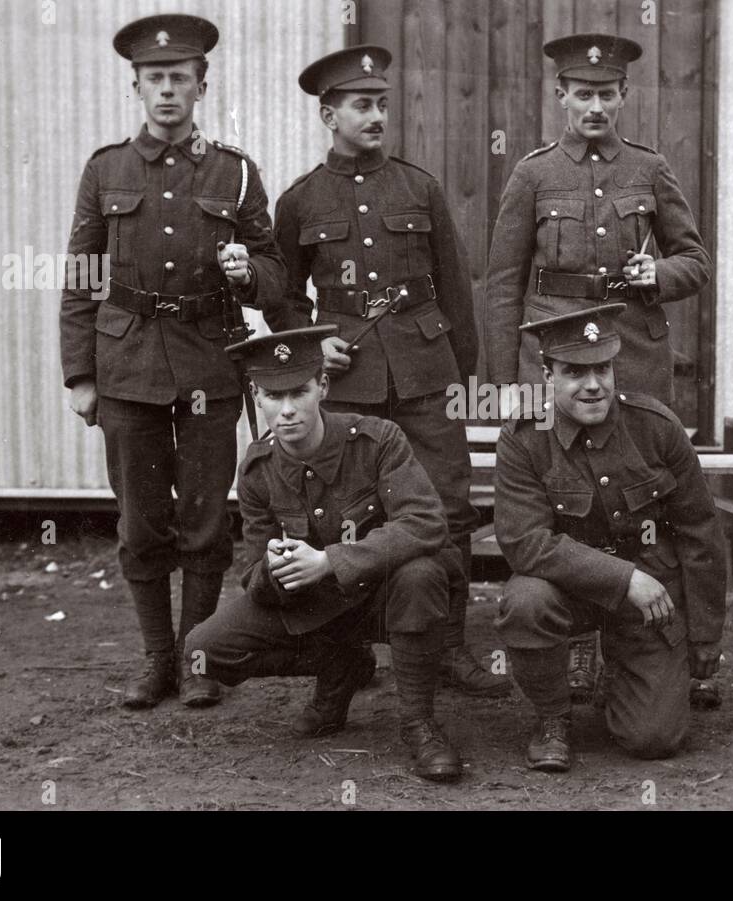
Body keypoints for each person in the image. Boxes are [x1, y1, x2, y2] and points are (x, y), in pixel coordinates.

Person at [59, 13, 285, 709]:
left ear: (201, 86)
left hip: (210, 362)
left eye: (179, 79)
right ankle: (155, 659)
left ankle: (197, 660)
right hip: (126, 363)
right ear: (136, 87)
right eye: (154, 79)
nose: (166, 91)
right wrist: (80, 374)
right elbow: (82, 276)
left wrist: (249, 277)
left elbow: (274, 268)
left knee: (206, 521)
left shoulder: (235, 172)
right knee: (140, 520)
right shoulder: (106, 169)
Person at [270, 45, 507, 698]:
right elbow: (284, 296)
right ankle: (352, 651)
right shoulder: (299, 201)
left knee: (450, 509)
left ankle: (450, 645)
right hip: (351, 384)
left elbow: (457, 288)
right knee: (351, 519)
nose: (376, 116)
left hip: (426, 376)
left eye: (380, 104)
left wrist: (462, 374)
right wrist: (316, 349)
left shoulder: (418, 186)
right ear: (328, 114)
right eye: (361, 105)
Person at [486, 33, 712, 707]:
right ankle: (579, 645)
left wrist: (658, 273)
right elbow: (502, 282)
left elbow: (695, 262)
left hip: (632, 358)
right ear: (560, 97)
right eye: (580, 94)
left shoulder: (650, 169)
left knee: (644, 495)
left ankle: (661, 641)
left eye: (605, 94)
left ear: (623, 97)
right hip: (555, 359)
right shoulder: (532, 174)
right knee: (569, 495)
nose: (593, 105)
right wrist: (507, 385)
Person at [184, 324, 465, 782]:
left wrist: (329, 561)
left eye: (299, 391)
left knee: (422, 575)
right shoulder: (257, 469)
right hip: (316, 605)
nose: (288, 410)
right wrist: (276, 570)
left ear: (324, 387)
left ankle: (419, 724)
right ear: (255, 395)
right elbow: (253, 573)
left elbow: (425, 523)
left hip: (381, 595)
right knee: (203, 650)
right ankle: (343, 663)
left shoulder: (377, 441)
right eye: (273, 396)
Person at [492, 304, 726, 772]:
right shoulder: (523, 439)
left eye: (602, 368)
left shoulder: (656, 427)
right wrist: (623, 578)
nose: (594, 384)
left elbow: (700, 532)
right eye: (575, 371)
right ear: (548, 374)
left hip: (651, 597)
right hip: (573, 590)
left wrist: (703, 636)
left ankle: (620, 673)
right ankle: (552, 718)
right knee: (525, 601)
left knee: (653, 739)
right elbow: (526, 543)